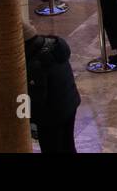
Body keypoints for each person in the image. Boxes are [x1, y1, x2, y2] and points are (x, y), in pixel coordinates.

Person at [22, 21, 81, 153]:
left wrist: (24, 119)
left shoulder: (35, 63)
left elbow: (36, 99)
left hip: (52, 116)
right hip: (70, 103)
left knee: (52, 148)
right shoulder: (54, 46)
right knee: (68, 145)